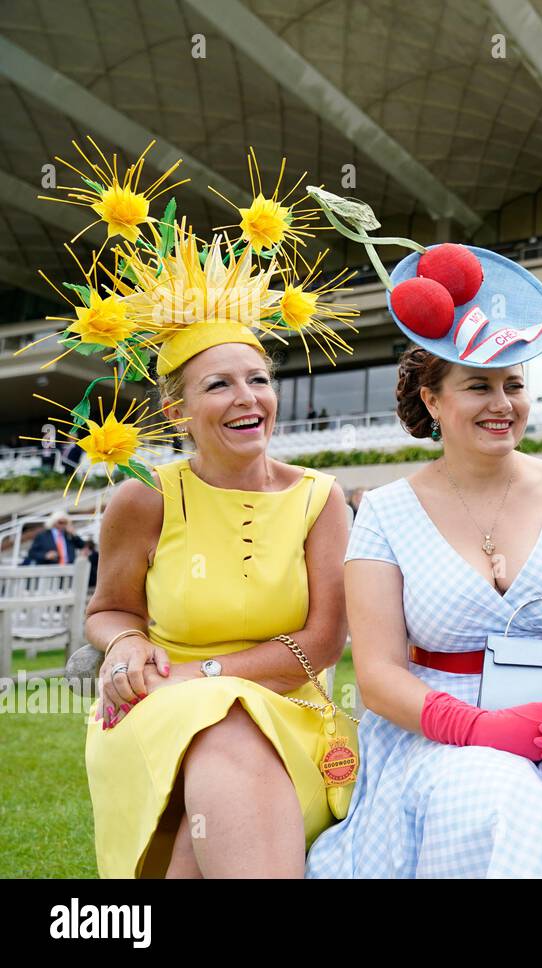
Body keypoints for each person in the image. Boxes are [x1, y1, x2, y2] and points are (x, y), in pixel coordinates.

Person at [21, 141, 358, 877]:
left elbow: (324, 642)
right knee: (220, 728)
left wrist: (202, 677)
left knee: (217, 762)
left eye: (259, 379)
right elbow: (109, 609)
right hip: (158, 706)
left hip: (289, 715)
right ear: (176, 408)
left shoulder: (319, 499)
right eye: (220, 386)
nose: (248, 399)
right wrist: (126, 648)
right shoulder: (144, 496)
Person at [307, 241, 542, 878]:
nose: (503, 404)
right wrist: (476, 727)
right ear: (433, 401)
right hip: (437, 726)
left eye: (513, 385)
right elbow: (379, 675)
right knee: (489, 794)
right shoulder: (384, 511)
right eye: (477, 387)